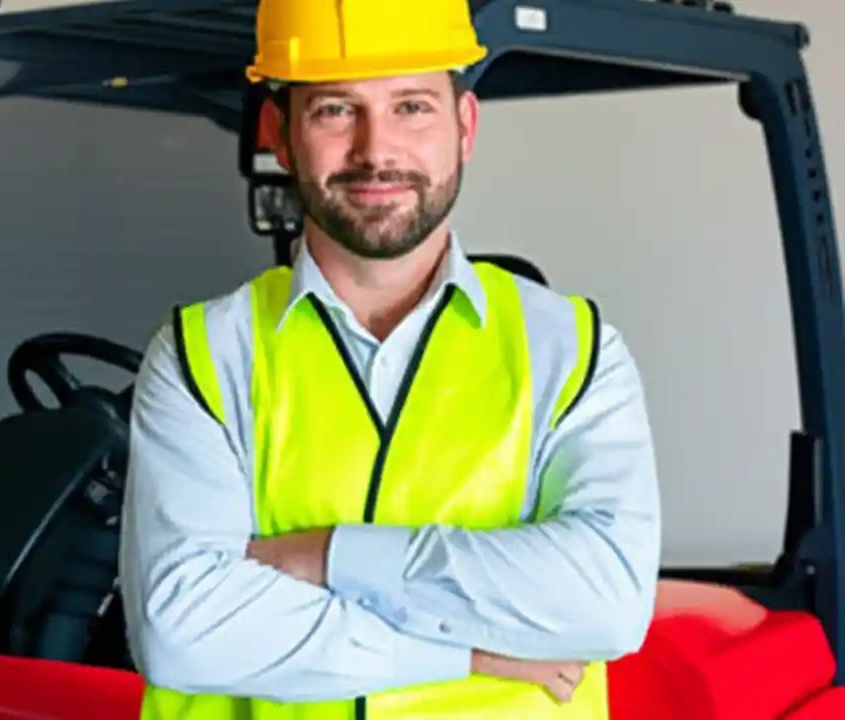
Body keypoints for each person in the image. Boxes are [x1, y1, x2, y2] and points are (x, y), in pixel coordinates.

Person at [117, 0, 662, 717]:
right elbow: (183, 632)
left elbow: (609, 603)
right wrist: (467, 653)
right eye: (336, 111)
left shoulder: (573, 351)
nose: (377, 151)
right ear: (279, 134)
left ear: (463, 127)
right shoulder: (202, 356)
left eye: (411, 106)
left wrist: (325, 557)